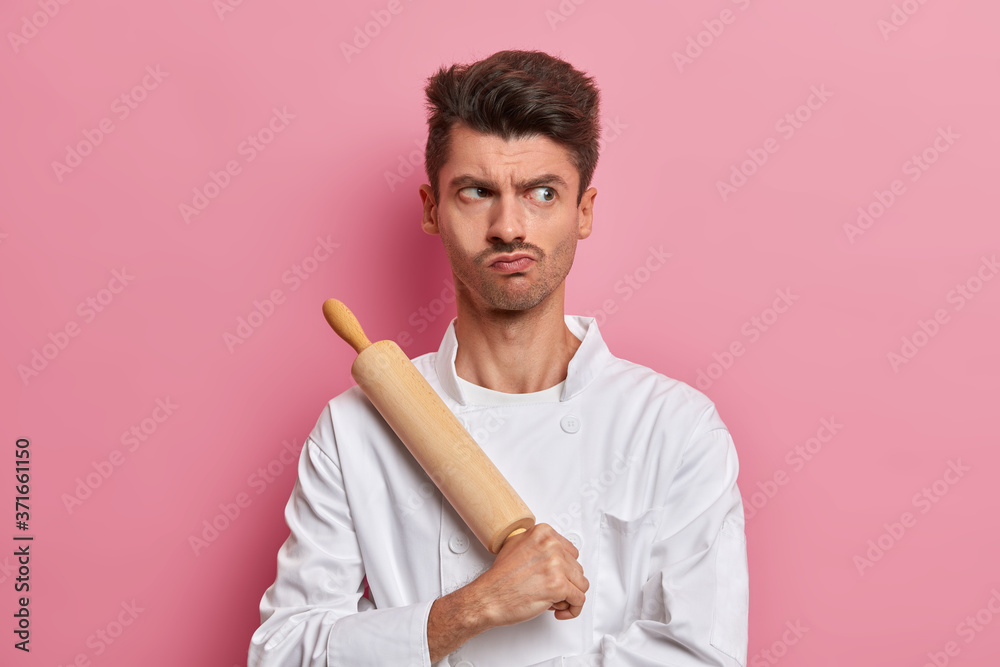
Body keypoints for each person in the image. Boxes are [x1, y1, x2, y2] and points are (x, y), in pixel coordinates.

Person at [249, 49, 748, 666]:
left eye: (542, 192)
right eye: (477, 191)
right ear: (432, 209)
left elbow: (702, 657)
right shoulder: (355, 430)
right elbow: (281, 655)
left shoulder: (674, 428)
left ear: (583, 211)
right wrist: (475, 607)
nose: (509, 226)